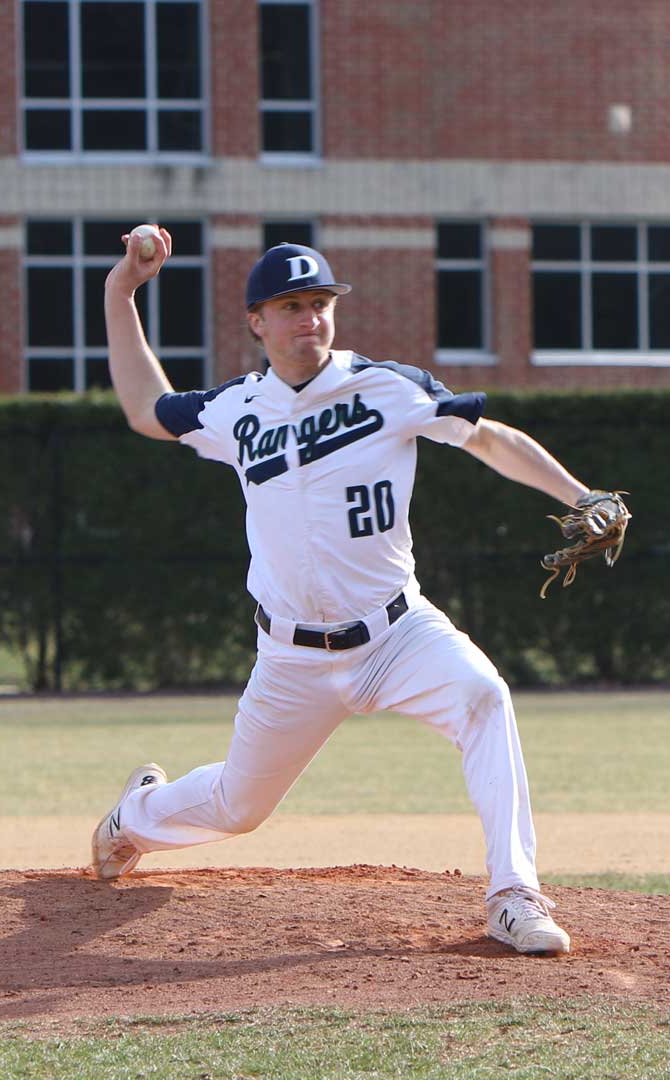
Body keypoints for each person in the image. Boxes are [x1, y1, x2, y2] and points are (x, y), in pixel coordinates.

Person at [91, 228, 606, 956]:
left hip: (396, 633)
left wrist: (580, 495)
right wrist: (121, 290)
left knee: (485, 698)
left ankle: (513, 895)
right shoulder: (237, 409)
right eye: (291, 306)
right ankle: (136, 816)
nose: (311, 318)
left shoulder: (387, 387)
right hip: (292, 656)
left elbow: (489, 438)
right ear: (257, 321)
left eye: (320, 303)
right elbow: (148, 408)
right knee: (239, 808)